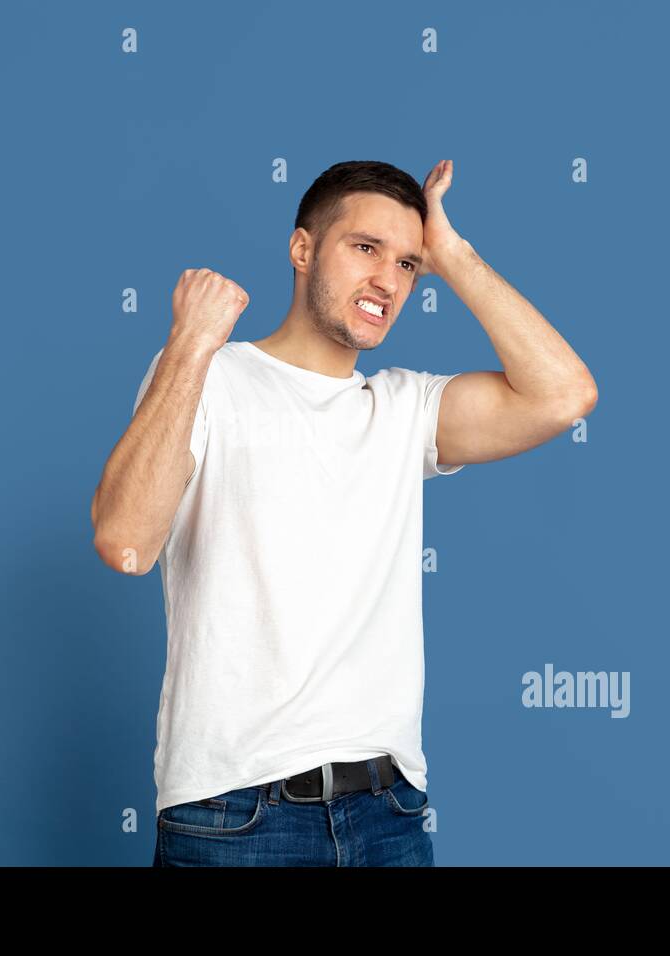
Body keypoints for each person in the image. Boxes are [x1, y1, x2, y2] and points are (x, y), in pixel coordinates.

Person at [91, 159, 597, 866]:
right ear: (302, 250)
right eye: (365, 248)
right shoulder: (209, 376)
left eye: (407, 264)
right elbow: (125, 542)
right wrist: (190, 344)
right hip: (236, 815)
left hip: (387, 814)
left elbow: (564, 394)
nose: (388, 280)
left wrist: (451, 257)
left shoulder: (402, 408)